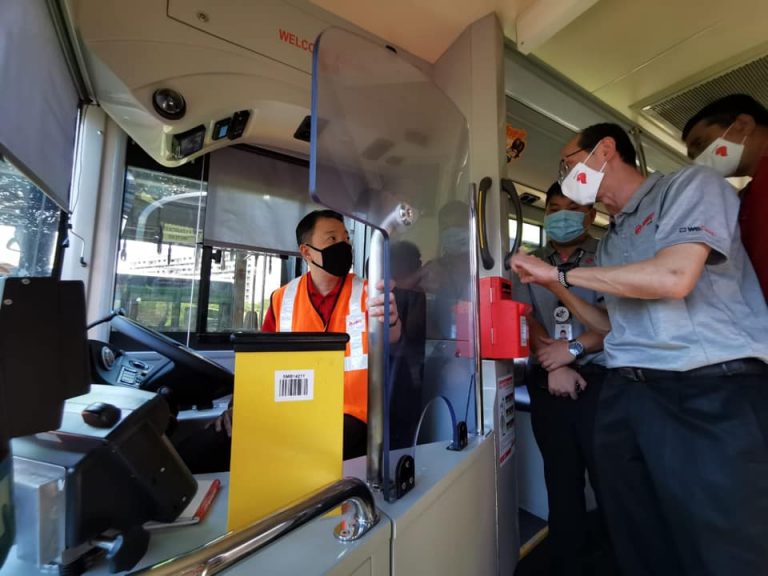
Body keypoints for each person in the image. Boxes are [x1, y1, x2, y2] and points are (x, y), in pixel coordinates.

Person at [510, 123, 768, 576]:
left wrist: (566, 279)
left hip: (708, 387)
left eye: (568, 165)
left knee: (721, 541)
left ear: (605, 150)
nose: (567, 176)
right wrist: (555, 282)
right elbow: (612, 324)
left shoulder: (689, 188)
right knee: (638, 532)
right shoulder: (612, 242)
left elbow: (673, 278)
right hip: (629, 393)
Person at [512, 182, 612, 576]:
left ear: (590, 215)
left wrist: (572, 353)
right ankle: (569, 562)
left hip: (601, 381)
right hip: (548, 383)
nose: (561, 214)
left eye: (572, 207)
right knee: (560, 479)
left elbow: (617, 322)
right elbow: (526, 316)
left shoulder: (607, 256)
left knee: (611, 479)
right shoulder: (529, 262)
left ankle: (617, 557)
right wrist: (555, 364)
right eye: (554, 207)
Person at [260, 209, 400, 459]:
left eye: (346, 239)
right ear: (306, 252)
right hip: (293, 414)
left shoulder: (369, 293)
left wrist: (392, 319)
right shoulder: (281, 299)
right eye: (332, 239)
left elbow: (392, 336)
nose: (343, 246)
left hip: (354, 417)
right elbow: (260, 361)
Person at [683, 94, 768, 299]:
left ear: (743, 124)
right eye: (694, 157)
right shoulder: (742, 200)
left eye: (702, 144)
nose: (700, 160)